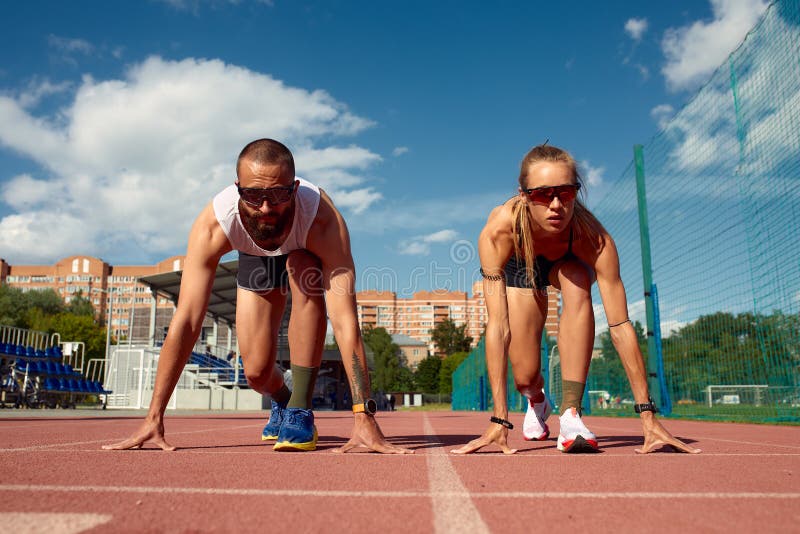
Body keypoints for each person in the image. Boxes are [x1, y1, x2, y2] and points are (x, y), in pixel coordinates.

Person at [103, 138, 412, 454]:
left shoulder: (322, 220)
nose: (266, 208)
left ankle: (299, 409)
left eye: (278, 195)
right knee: (256, 373)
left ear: (293, 188)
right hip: (256, 253)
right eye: (253, 195)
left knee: (301, 266)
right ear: (237, 187)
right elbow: (186, 322)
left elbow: (345, 322)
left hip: (303, 251)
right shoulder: (215, 224)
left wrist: (364, 415)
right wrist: (154, 416)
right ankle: (282, 399)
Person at [452, 143, 700, 455]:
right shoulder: (499, 232)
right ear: (523, 193)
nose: (556, 204)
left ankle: (571, 414)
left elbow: (620, 324)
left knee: (578, 279)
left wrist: (647, 415)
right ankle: (538, 401)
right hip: (519, 265)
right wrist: (499, 419)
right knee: (526, 376)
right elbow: (498, 326)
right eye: (543, 194)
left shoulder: (593, 238)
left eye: (566, 193)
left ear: (576, 192)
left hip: (566, 263)